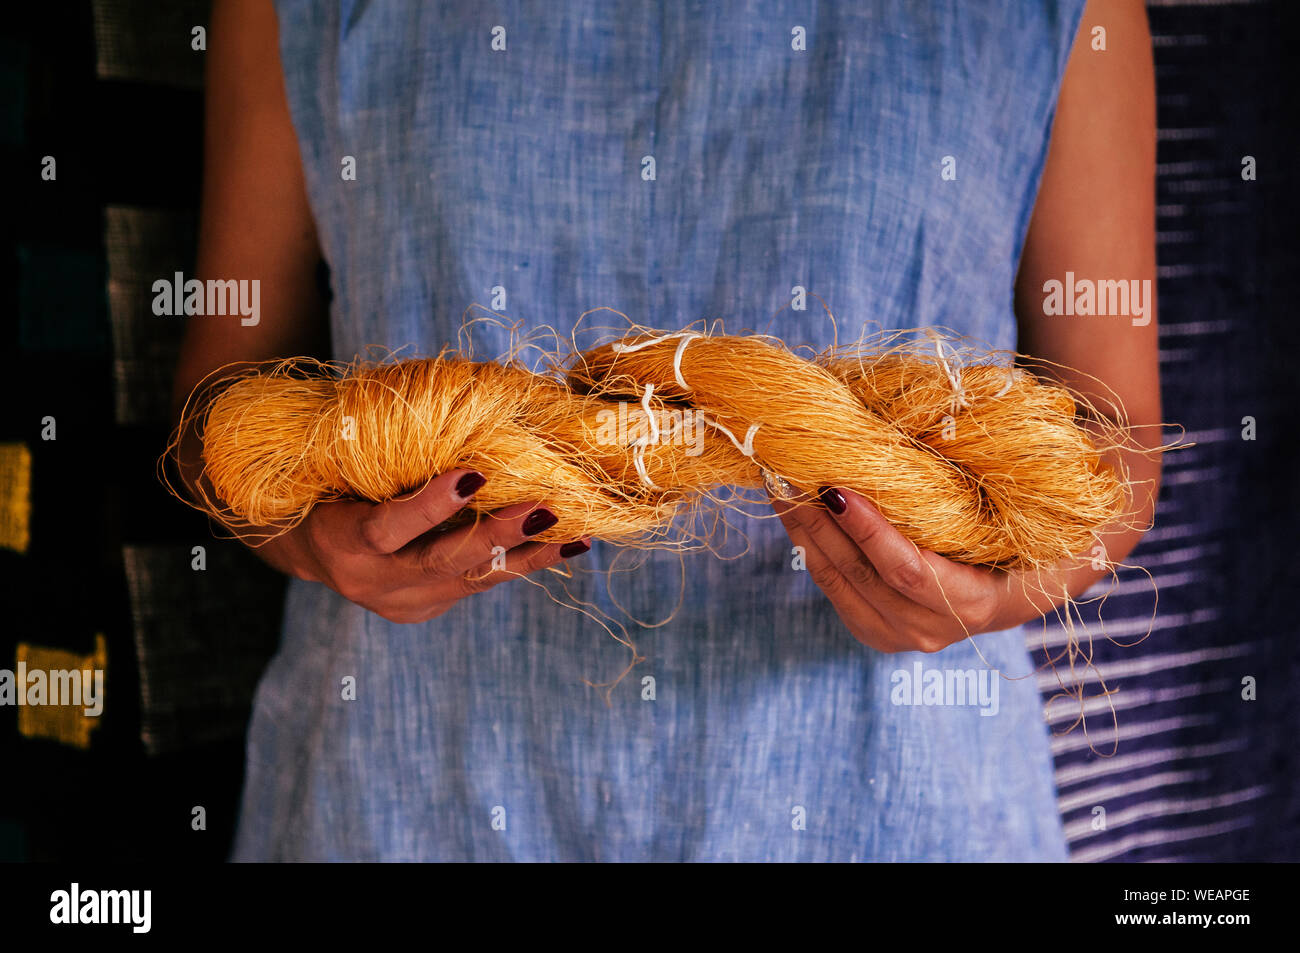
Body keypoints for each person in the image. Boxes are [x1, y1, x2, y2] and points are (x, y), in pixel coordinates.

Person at [172, 0, 1161, 861]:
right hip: (410, 792)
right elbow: (220, 419)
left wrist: (979, 598)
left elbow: (1115, 440)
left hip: (891, 800)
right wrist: (319, 541)